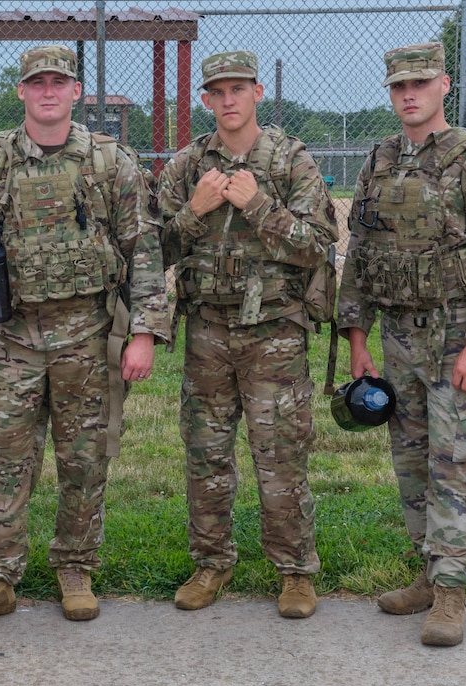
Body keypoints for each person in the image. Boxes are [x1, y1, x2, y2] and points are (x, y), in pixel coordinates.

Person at [0, 44, 169, 629]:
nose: (47, 91)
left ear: (73, 92)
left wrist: (144, 332)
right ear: (21, 91)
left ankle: (75, 567)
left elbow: (142, 249)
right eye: (36, 82)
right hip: (11, 338)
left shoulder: (110, 162)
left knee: (84, 460)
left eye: (58, 82)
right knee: (1, 459)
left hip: (86, 336)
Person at [337, 42, 466, 646]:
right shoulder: (382, 160)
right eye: (398, 86)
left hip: (454, 335)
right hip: (397, 335)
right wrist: (356, 340)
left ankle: (450, 592)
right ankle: (427, 571)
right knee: (412, 460)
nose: (409, 94)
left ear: (445, 84)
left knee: (454, 464)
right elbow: (361, 254)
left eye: (419, 82)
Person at [157, 50, 337, 619]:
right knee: (206, 453)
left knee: (280, 454)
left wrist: (258, 204)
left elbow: (316, 243)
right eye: (217, 92)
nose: (228, 100)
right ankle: (211, 562)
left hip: (274, 334)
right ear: (206, 100)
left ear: (258, 93)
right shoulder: (188, 166)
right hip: (208, 329)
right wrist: (195, 209)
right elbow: (150, 248)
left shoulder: (289, 161)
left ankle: (295, 571)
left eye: (238, 89)